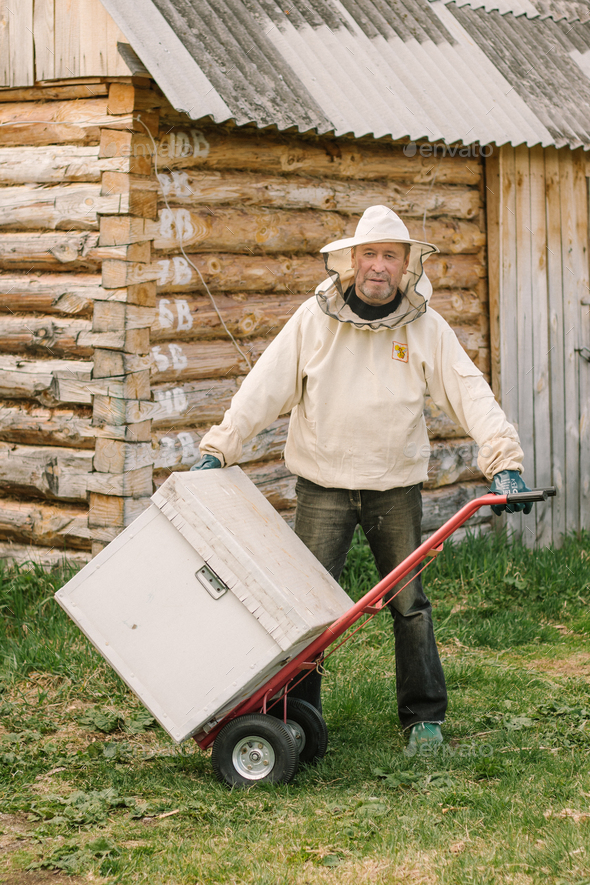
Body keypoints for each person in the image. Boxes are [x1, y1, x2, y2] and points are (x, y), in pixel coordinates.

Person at [192, 205, 531, 754]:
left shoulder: (424, 327)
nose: (379, 266)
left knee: (409, 604)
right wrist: (219, 450)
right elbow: (264, 387)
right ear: (352, 262)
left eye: (390, 256)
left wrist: (505, 463)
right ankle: (296, 715)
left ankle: (423, 718)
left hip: (394, 489)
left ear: (406, 266)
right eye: (369, 254)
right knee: (306, 611)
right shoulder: (315, 318)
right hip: (322, 488)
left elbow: (471, 393)